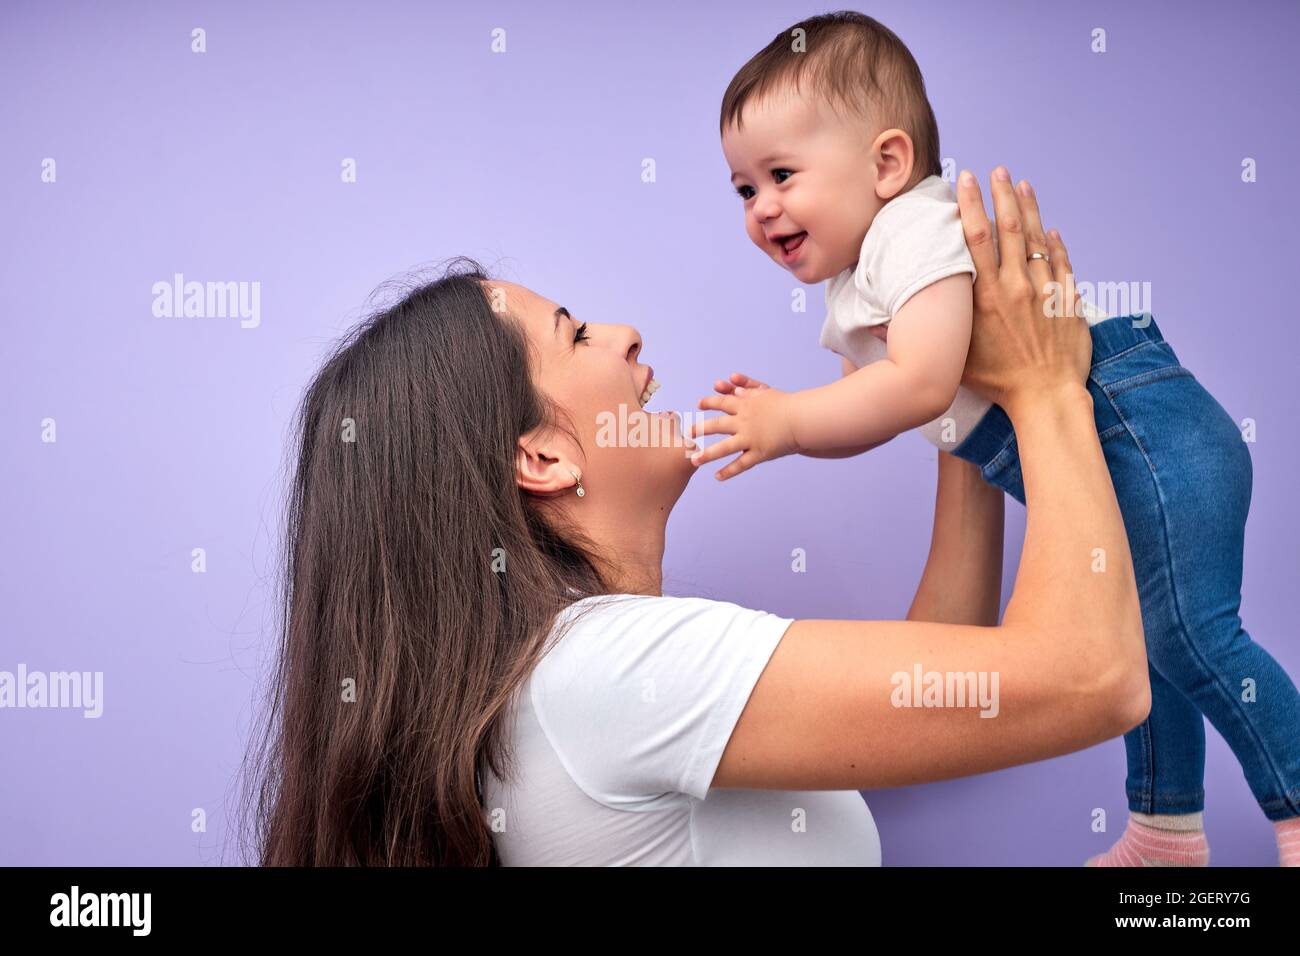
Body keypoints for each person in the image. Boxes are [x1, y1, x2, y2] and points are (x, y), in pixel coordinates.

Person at [247, 172, 1147, 866]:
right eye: (575, 334)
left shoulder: (568, 687)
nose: (627, 332)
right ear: (543, 457)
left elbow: (936, 681)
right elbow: (1091, 679)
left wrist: (955, 401)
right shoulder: (605, 670)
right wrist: (1044, 387)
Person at [708, 10, 1300, 867]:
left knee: (1191, 637)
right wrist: (798, 412)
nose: (763, 209)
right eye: (743, 190)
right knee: (1143, 643)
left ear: (887, 163)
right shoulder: (860, 274)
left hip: (1150, 430)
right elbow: (879, 402)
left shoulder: (913, 230)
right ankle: (1166, 832)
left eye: (781, 175)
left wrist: (788, 423)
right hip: (1126, 449)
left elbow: (920, 383)